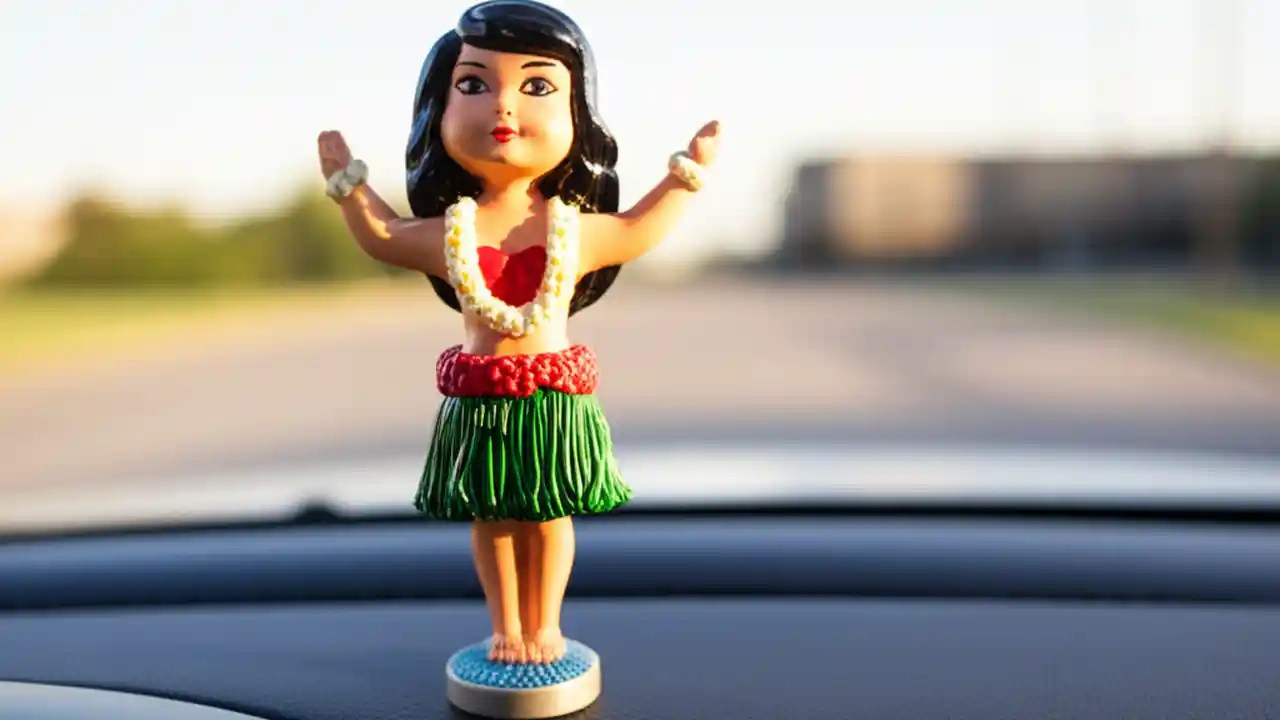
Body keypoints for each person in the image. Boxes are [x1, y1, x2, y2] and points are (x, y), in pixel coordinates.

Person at [316, 0, 719, 665]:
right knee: (494, 519)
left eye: (537, 86)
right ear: (437, 111)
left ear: (577, 114)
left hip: (554, 404)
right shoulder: (452, 231)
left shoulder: (574, 229)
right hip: (479, 404)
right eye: (473, 85)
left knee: (549, 516)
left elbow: (638, 229)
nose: (503, 107)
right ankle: (507, 623)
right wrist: (346, 182)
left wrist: (687, 175)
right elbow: (384, 237)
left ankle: (546, 623)